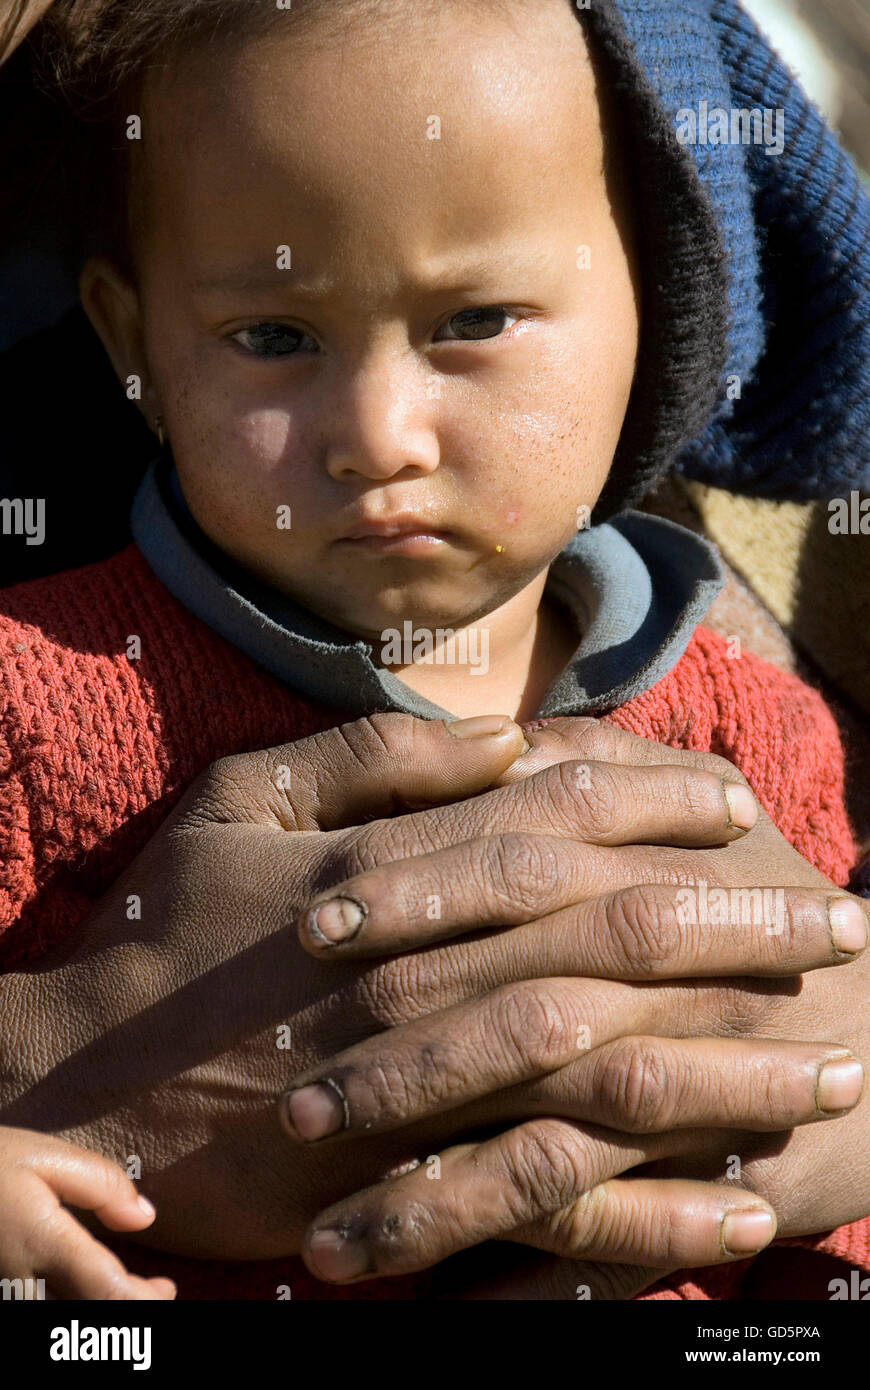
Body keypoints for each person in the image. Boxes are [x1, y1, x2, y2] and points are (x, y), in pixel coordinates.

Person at [0, 0, 868, 1301]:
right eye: (276, 338)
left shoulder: (762, 741)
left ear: (660, 309)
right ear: (132, 340)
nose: (379, 434)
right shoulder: (32, 705)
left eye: (474, 320)